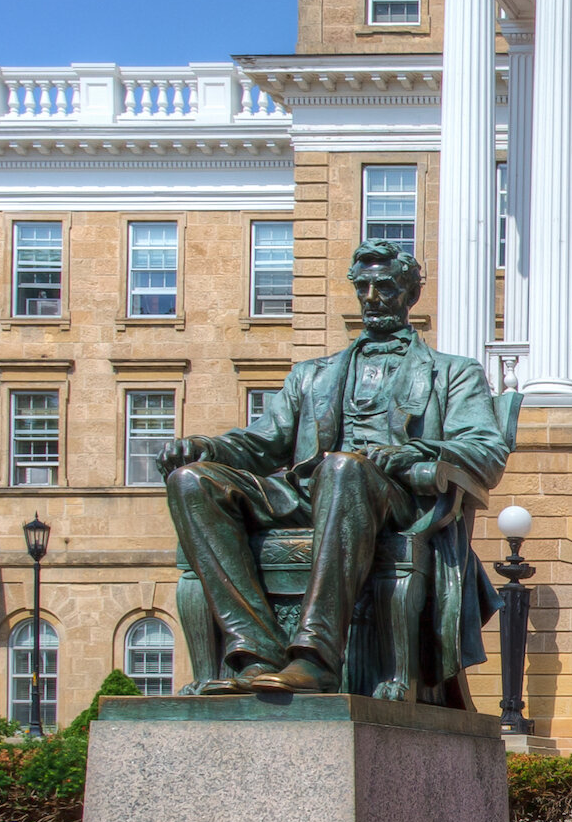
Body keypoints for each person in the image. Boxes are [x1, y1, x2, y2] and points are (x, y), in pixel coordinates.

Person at [159, 239, 508, 698]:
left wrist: (417, 452)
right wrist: (205, 447)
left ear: (410, 293)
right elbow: (262, 443)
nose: (371, 297)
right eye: (362, 286)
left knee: (344, 469)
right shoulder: (312, 374)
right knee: (191, 482)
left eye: (384, 286)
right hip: (306, 495)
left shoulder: (452, 372)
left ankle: (317, 657)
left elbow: (486, 449)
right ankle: (255, 653)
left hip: (396, 499)